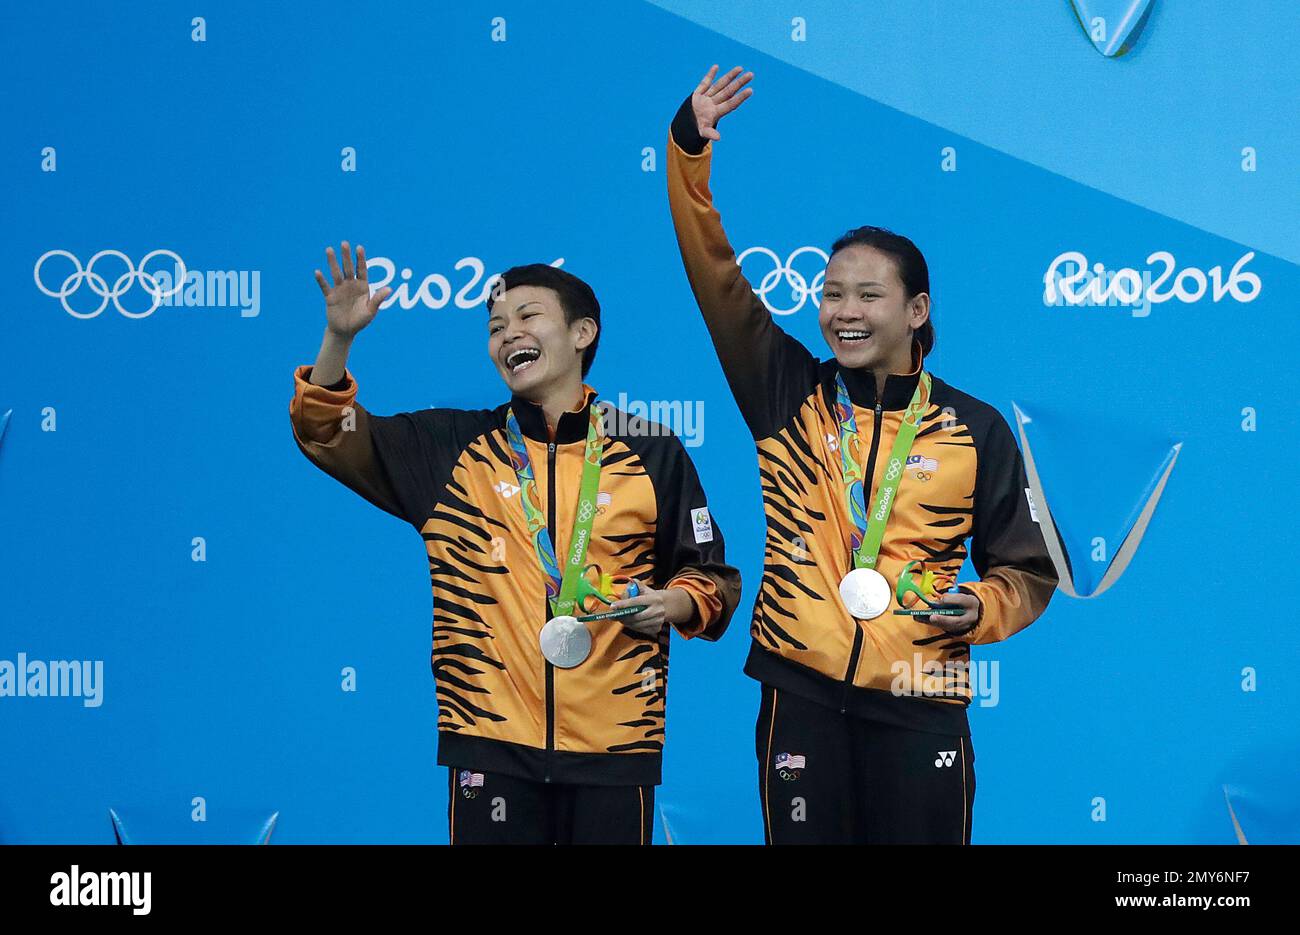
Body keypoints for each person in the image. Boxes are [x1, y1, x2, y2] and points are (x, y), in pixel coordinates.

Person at [666, 67, 1058, 844]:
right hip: (800, 692)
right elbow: (713, 275)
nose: (843, 311)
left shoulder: (974, 429)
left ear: (916, 310)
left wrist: (980, 607)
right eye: (831, 292)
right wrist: (687, 151)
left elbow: (1030, 570)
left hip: (923, 695)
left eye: (867, 295)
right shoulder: (782, 389)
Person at [289, 242, 741, 844]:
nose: (508, 335)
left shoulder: (652, 450)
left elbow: (712, 578)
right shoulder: (448, 447)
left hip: (615, 741)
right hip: (487, 740)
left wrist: (671, 604)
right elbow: (324, 431)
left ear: (583, 332)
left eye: (528, 317)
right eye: (496, 326)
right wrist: (338, 342)